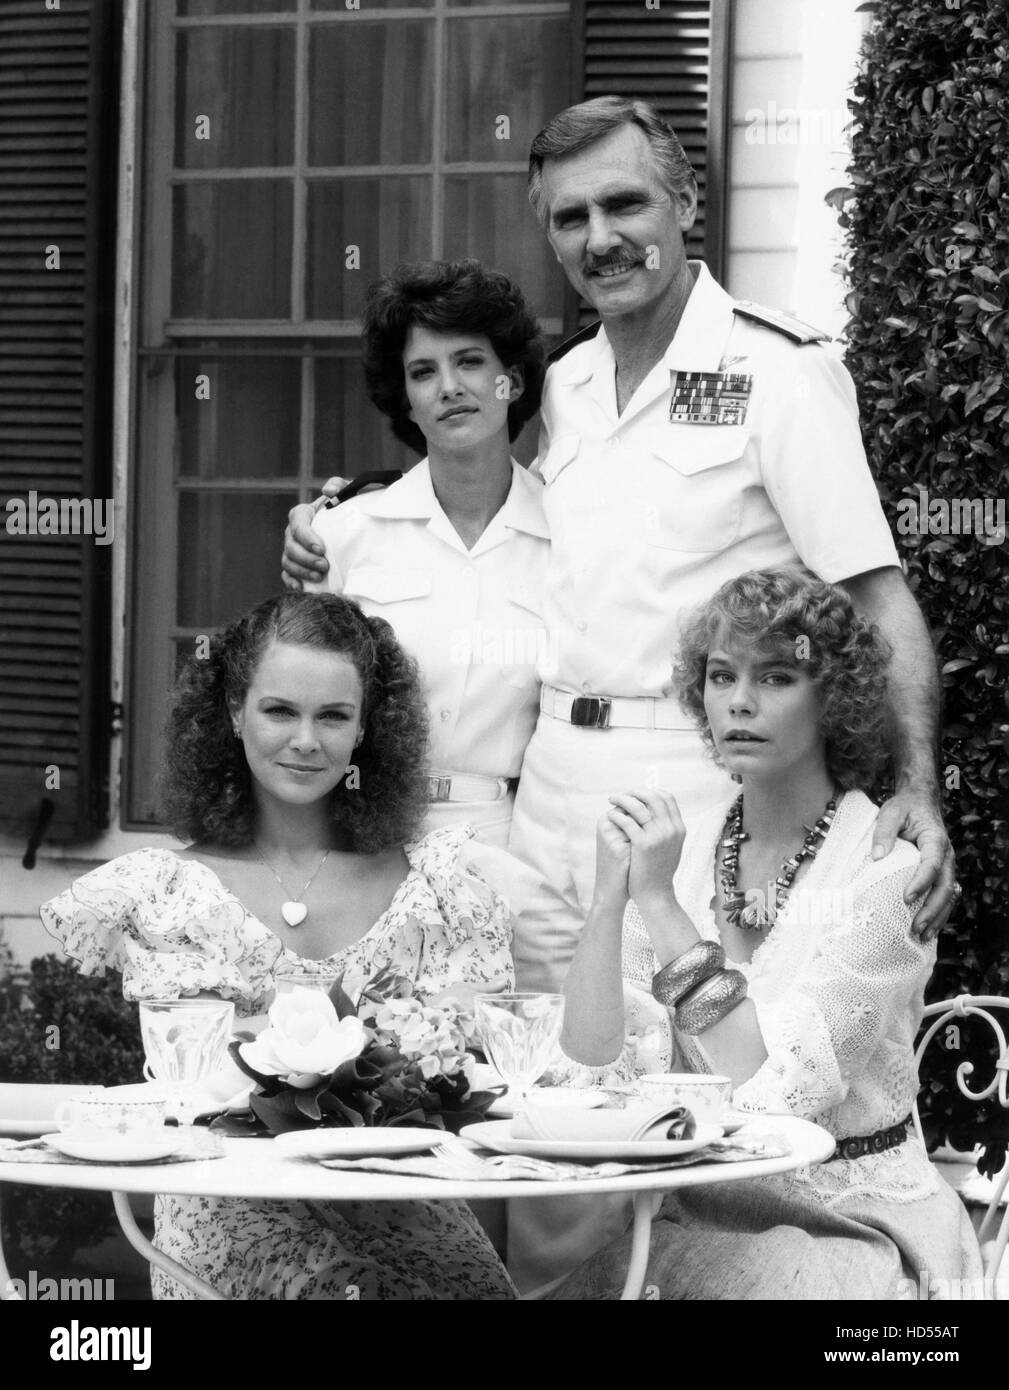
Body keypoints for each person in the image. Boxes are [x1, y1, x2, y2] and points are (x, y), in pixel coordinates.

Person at [281, 96, 956, 1000]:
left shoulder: (780, 374)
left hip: (699, 785)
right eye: (571, 218)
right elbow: (475, 499)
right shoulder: (566, 381)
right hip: (549, 792)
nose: (600, 238)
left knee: (692, 1064)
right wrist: (340, 514)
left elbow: (876, 595)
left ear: (682, 207)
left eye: (624, 205)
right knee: (535, 1068)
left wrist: (917, 789)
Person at [41, 591, 516, 1300]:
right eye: (280, 710)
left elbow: (459, 1068)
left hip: (400, 1202)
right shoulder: (167, 891)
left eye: (333, 716)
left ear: (365, 730)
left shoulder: (439, 885)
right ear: (234, 712)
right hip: (227, 1205)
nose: (306, 740)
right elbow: (202, 1088)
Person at [556, 568, 982, 1299]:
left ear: (835, 700)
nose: (740, 702)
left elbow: (772, 1086)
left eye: (776, 676)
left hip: (851, 1225)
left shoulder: (885, 876)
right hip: (694, 1217)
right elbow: (595, 1070)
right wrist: (607, 904)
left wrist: (658, 907)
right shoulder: (682, 854)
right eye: (720, 677)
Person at [303, 260, 549, 850]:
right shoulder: (346, 533)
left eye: (469, 361)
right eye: (423, 371)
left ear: (510, 382)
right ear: (406, 401)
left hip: (509, 838)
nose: (448, 387)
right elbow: (306, 698)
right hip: (360, 831)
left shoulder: (565, 536)